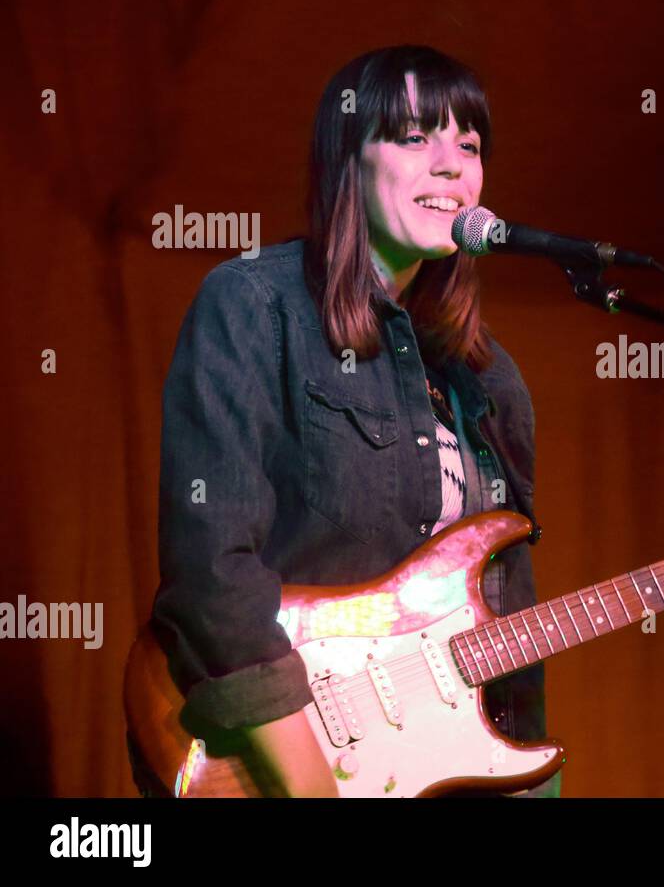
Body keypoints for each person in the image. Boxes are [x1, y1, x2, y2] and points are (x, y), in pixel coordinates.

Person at [146, 45, 556, 797]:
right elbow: (211, 569)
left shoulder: (489, 381)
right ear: (349, 160)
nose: (451, 165)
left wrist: (528, 776)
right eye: (414, 137)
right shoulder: (252, 306)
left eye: (468, 145)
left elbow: (508, 608)